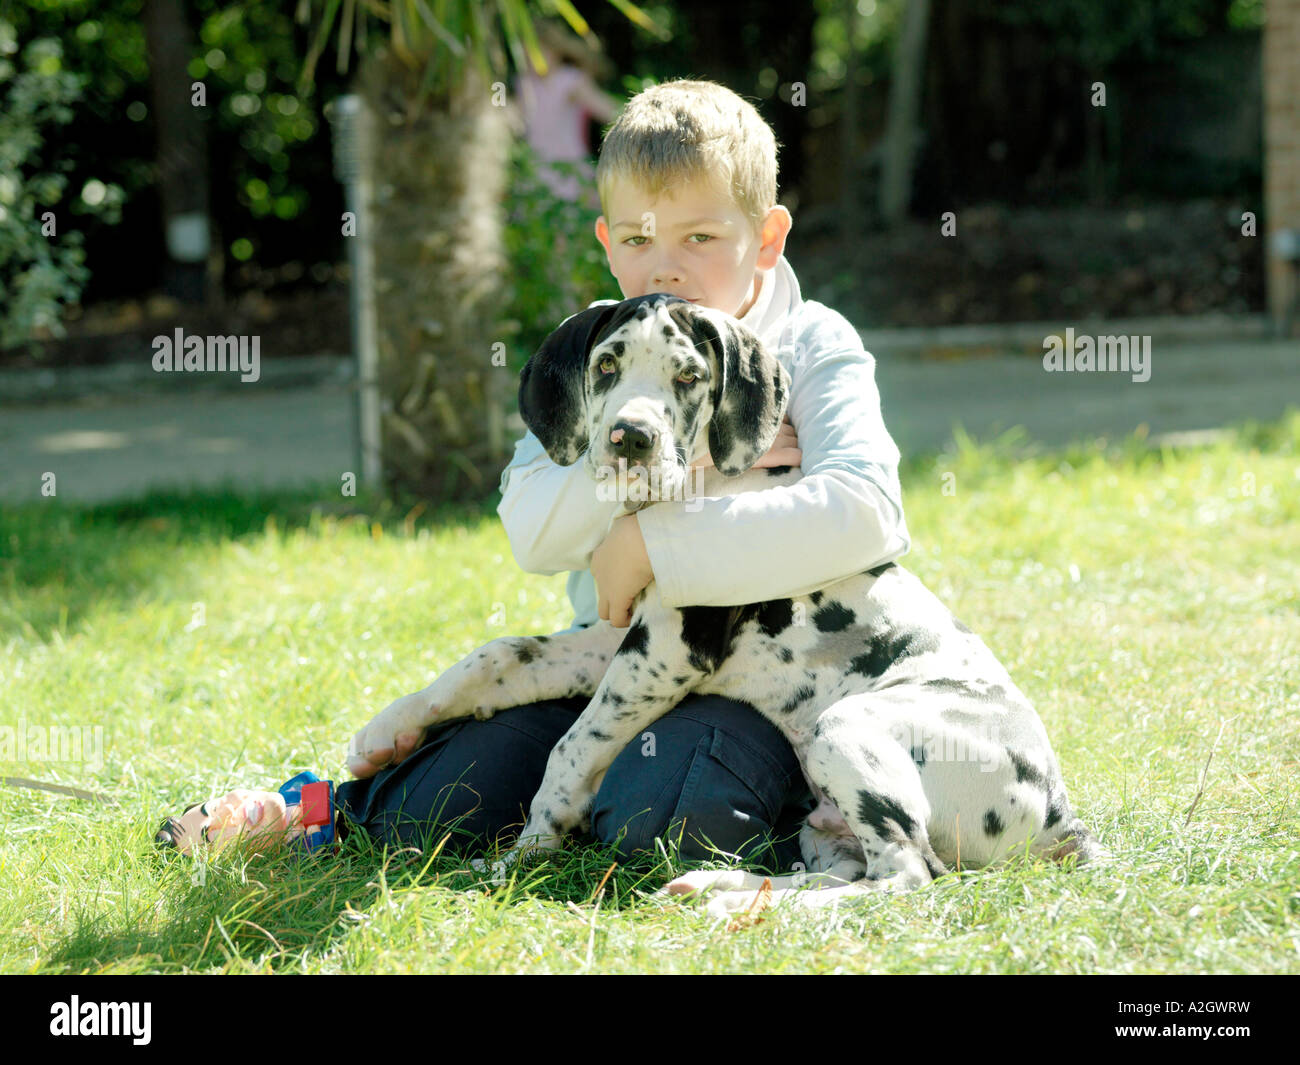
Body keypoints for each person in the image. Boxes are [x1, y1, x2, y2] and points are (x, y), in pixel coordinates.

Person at [158, 80, 911, 874]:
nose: (665, 269)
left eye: (699, 238)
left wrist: (658, 546)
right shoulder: (601, 347)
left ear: (766, 237)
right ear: (605, 241)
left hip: (766, 692)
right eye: (637, 240)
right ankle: (313, 809)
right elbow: (532, 530)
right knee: (443, 802)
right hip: (606, 666)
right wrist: (644, 466)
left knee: (668, 818)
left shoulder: (811, 342)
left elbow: (867, 512)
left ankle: (809, 821)